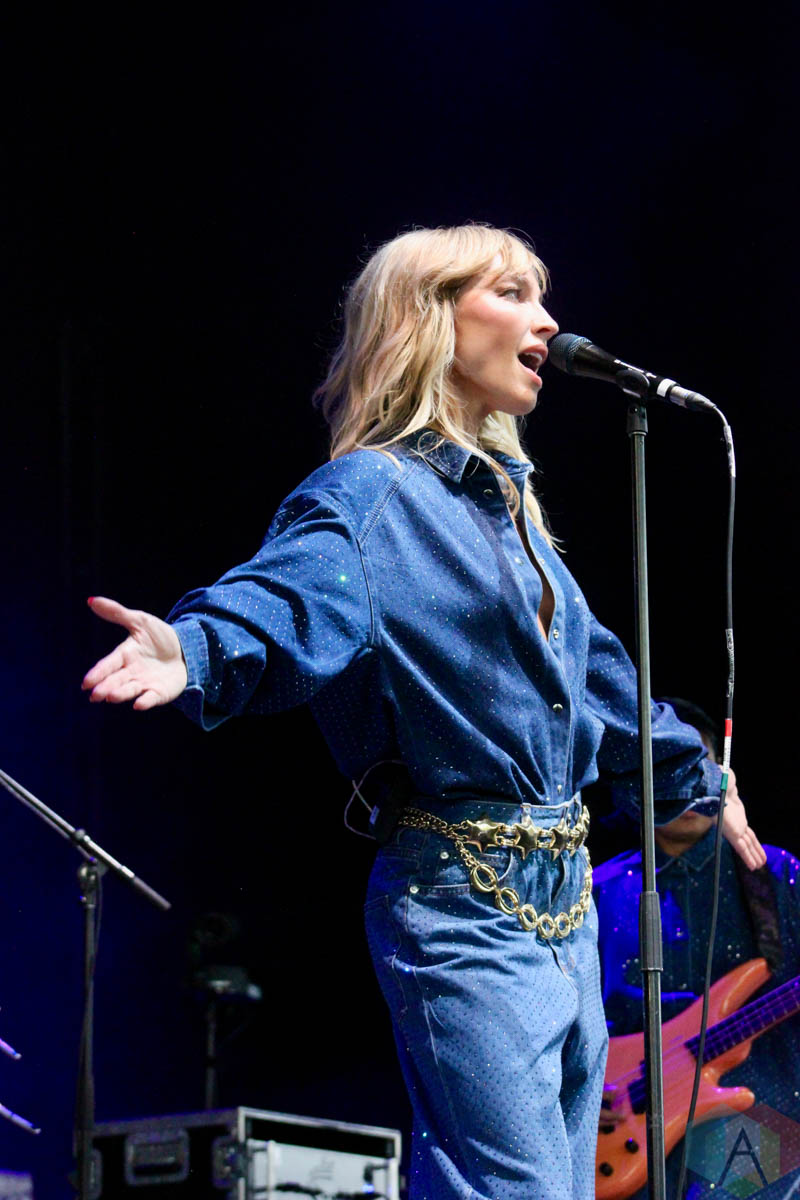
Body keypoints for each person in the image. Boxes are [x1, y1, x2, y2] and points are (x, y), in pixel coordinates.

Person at [81, 225, 765, 1200]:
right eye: (512, 293)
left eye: (543, 295)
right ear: (429, 318)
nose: (547, 318)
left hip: (560, 905)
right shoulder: (371, 497)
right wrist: (191, 647)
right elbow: (281, 600)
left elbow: (605, 688)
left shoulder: (516, 524)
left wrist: (701, 786)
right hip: (460, 901)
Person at [594, 698, 800, 1200]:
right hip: (624, 1125)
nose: (682, 784)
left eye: (694, 764)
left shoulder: (773, 873)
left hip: (757, 1117)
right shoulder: (596, 889)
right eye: (664, 768)